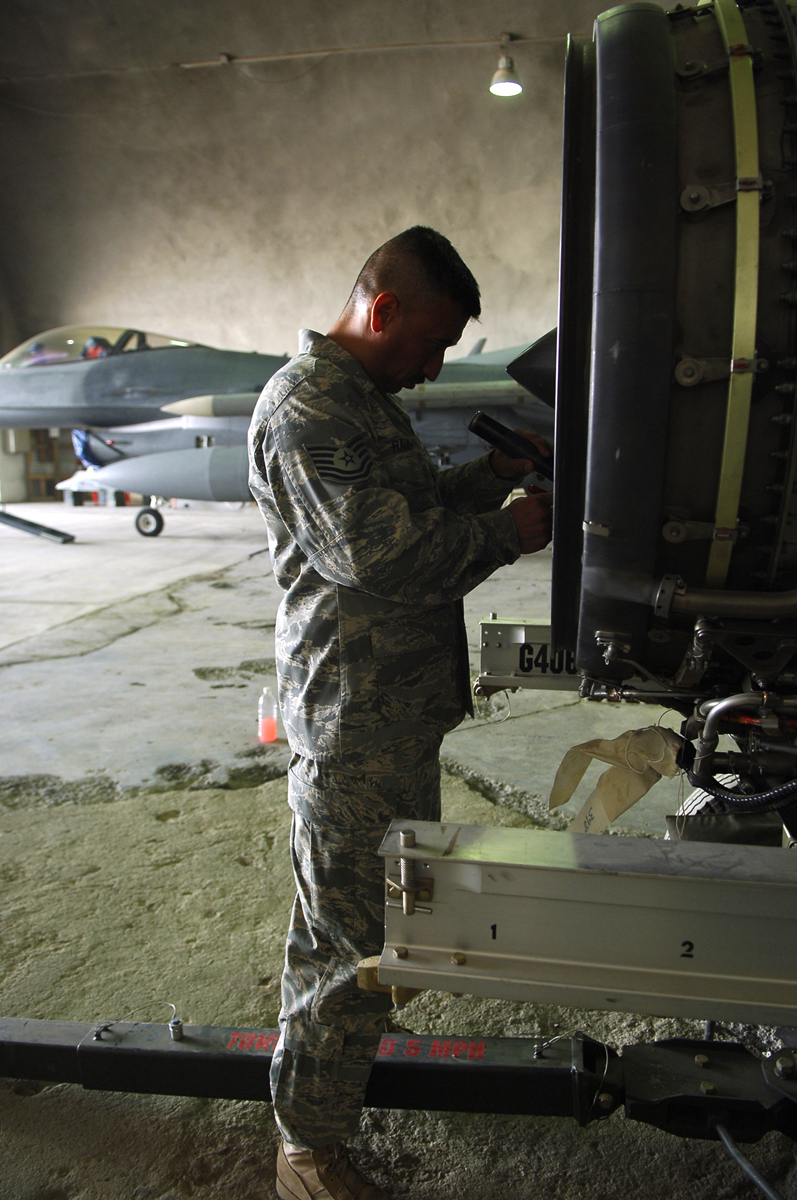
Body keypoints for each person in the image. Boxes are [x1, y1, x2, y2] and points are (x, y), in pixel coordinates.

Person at [248, 226, 553, 1200]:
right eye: (428, 345)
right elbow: (379, 559)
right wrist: (505, 531)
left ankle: (338, 1084)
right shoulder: (307, 410)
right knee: (339, 948)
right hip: (349, 730)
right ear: (379, 311)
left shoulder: (357, 402)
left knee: (378, 925)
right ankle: (307, 1152)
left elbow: (408, 511)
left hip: (390, 719)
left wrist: (498, 480)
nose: (431, 369)